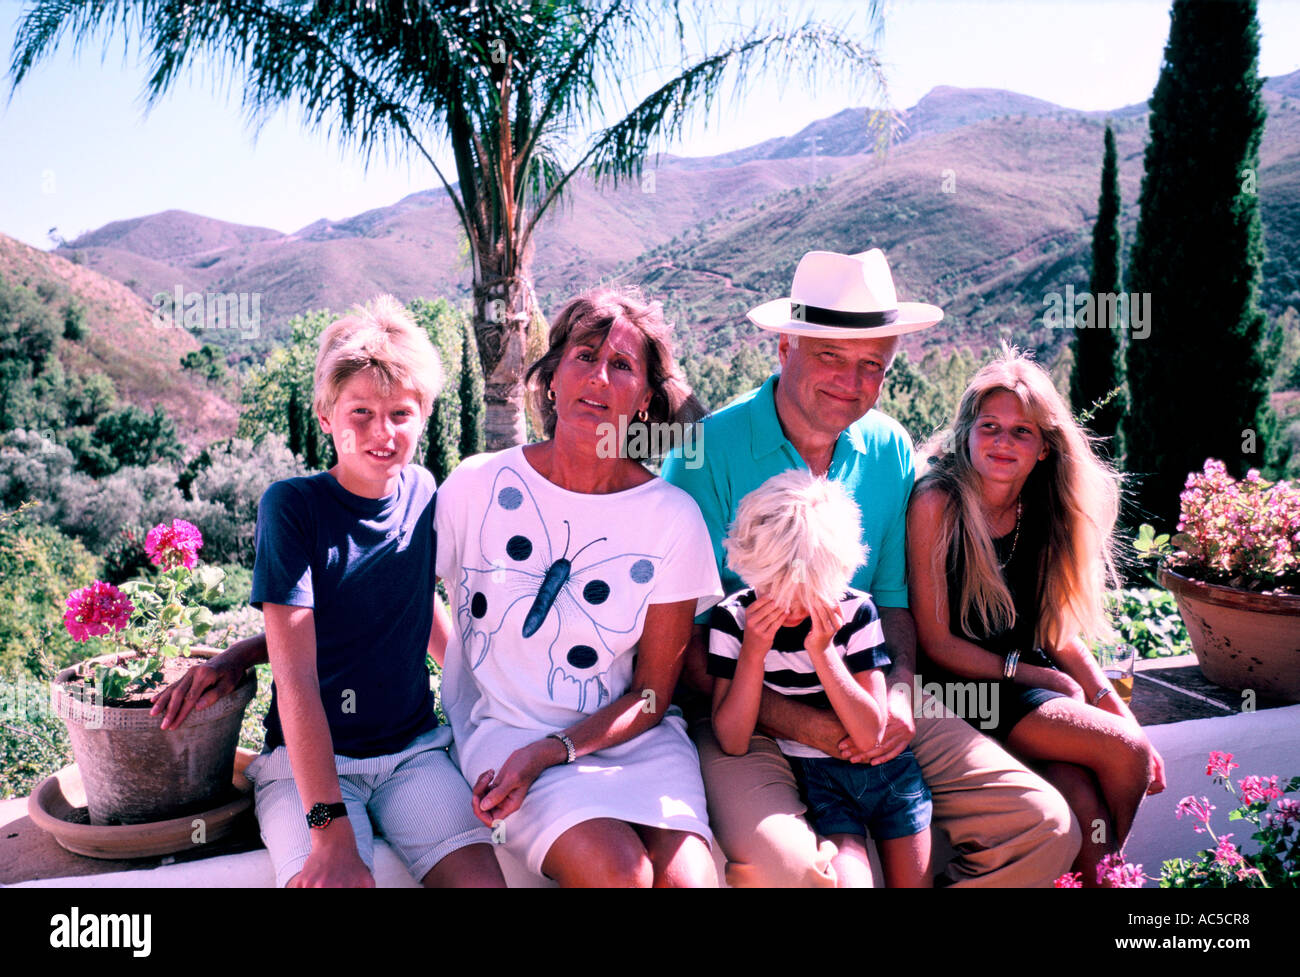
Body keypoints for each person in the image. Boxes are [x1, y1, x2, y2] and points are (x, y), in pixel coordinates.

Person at [662, 248, 1081, 887]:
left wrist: (900, 693)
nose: (851, 383)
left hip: (867, 694)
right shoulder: (702, 454)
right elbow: (687, 649)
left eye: (872, 366)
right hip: (747, 715)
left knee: (1041, 824)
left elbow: (893, 603)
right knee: (796, 870)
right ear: (785, 347)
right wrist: (810, 723)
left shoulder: (887, 447)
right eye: (830, 356)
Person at [153, 296, 504, 888]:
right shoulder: (294, 508)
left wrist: (490, 707)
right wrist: (328, 826)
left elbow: (410, 609)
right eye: (360, 412)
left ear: (425, 416)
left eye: (401, 413)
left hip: (414, 755)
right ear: (325, 415)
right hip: (307, 768)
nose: (382, 432)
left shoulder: (422, 491)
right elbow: (294, 678)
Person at [433, 287, 722, 887]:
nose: (598, 377)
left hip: (631, 738)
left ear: (644, 398)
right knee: (621, 873)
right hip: (508, 739)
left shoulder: (672, 518)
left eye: (621, 366)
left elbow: (650, 697)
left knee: (690, 883)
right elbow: (391, 601)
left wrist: (555, 749)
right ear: (552, 377)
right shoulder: (476, 484)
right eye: (584, 356)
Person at [907, 345, 1165, 886]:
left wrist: (1110, 701)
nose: (1003, 442)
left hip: (1030, 684)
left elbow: (1058, 630)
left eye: (1021, 431)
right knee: (1127, 754)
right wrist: (1035, 676)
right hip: (961, 686)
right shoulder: (937, 502)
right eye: (990, 426)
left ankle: (1104, 879)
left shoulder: (1045, 509)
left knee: (1085, 810)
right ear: (967, 434)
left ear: (1045, 448)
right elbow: (934, 642)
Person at [710, 470, 931, 887]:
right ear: (749, 564)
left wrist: (824, 651)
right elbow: (733, 740)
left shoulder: (855, 612)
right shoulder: (734, 620)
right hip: (818, 783)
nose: (790, 605)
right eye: (771, 585)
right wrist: (754, 651)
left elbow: (870, 734)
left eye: (807, 589)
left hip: (890, 776)